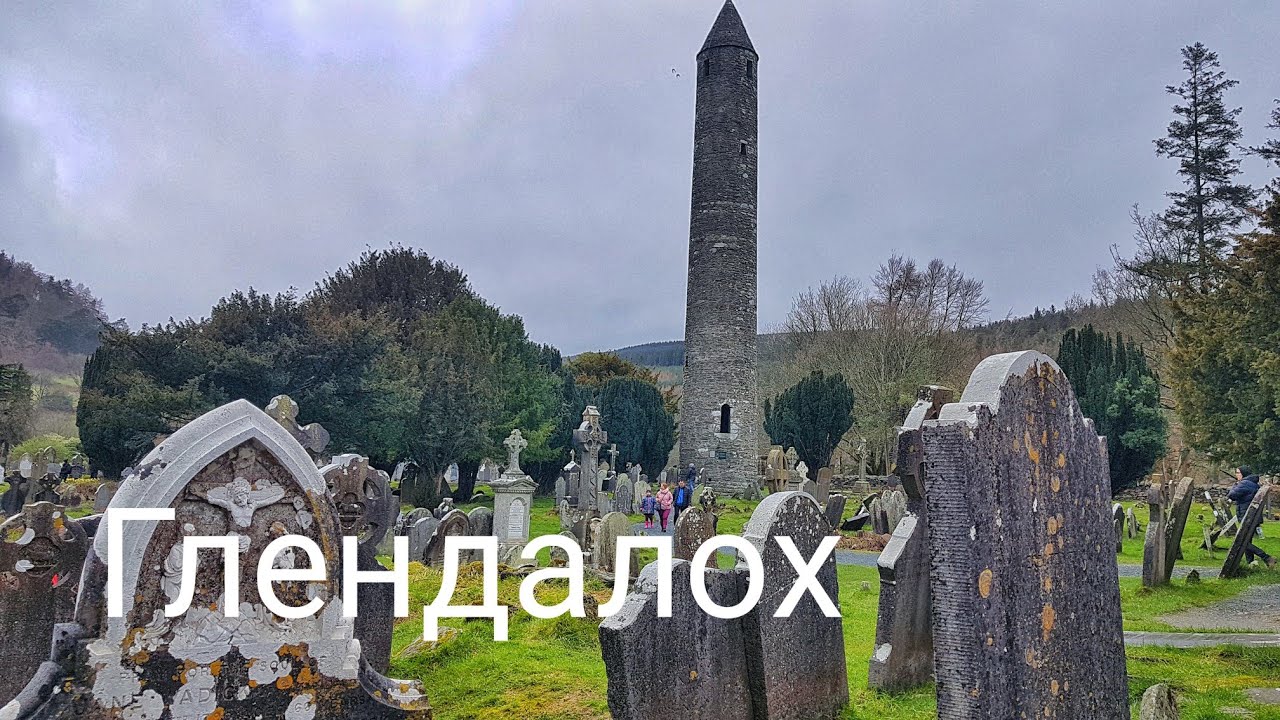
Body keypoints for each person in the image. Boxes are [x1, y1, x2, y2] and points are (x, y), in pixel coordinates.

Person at [1227, 465, 1276, 570]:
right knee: (1247, 540)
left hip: (1247, 516)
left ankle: (1267, 557)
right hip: (1251, 516)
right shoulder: (1252, 483)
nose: (1236, 475)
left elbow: (1232, 495)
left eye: (1238, 472)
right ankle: (1251, 563)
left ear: (1243, 473)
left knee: (1241, 541)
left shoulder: (1245, 483)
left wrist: (1235, 485)